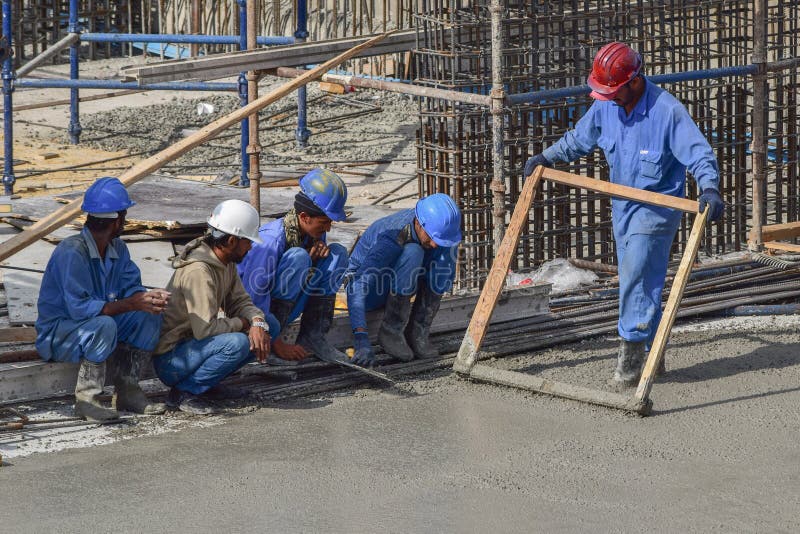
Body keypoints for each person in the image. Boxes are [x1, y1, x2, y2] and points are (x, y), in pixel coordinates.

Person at [524, 42, 725, 385]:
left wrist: (710, 187)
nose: (610, 97)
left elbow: (698, 153)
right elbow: (579, 139)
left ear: (634, 81)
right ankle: (654, 356)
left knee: (634, 277)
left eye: (614, 91)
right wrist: (546, 158)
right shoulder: (606, 108)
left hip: (657, 209)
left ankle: (630, 365)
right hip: (623, 206)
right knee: (643, 280)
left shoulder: (667, 111)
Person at [35, 177, 169, 422]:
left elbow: (131, 290)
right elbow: (80, 310)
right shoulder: (72, 252)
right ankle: (87, 399)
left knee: (147, 315)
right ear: (118, 219)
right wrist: (131, 303)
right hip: (60, 334)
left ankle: (128, 391)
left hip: (95, 327)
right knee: (103, 325)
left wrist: (148, 298)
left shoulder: (118, 247)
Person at [153, 199, 270, 415]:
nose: (251, 247)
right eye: (248, 242)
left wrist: (256, 321)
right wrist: (244, 323)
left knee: (268, 324)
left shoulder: (226, 263)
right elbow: (205, 329)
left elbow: (241, 302)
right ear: (233, 240)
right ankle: (185, 392)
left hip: (195, 348)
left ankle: (207, 384)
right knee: (237, 343)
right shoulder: (199, 271)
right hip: (173, 359)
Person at [237, 168, 349, 364]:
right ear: (305, 217)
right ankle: (269, 344)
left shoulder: (313, 232)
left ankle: (313, 336)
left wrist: (313, 262)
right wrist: (275, 341)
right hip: (254, 315)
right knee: (299, 257)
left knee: (337, 253)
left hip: (288, 303)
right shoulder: (269, 241)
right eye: (324, 222)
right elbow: (251, 297)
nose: (328, 228)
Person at [346, 193, 461, 367]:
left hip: (394, 282)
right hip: (369, 290)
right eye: (431, 237)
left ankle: (418, 331)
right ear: (419, 224)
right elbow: (357, 286)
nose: (435, 243)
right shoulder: (392, 235)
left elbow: (439, 250)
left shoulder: (433, 234)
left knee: (446, 254)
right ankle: (391, 330)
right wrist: (361, 337)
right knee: (414, 252)